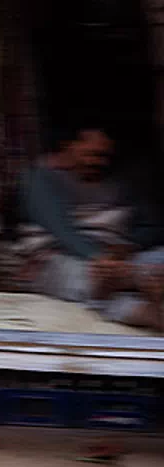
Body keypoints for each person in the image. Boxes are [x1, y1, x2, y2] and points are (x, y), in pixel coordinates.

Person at [16, 125, 164, 330]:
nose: (99, 162)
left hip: (120, 259)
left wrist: (128, 246)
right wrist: (100, 259)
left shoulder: (120, 184)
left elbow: (154, 226)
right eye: (92, 154)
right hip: (59, 259)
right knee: (90, 280)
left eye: (105, 156)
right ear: (70, 146)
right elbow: (63, 232)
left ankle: (134, 283)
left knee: (156, 257)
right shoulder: (40, 178)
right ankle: (147, 306)